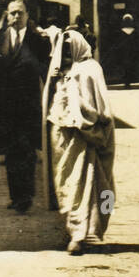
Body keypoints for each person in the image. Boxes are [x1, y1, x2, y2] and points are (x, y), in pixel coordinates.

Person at [43, 29, 116, 255]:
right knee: (65, 182)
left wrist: (83, 120)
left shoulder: (89, 69)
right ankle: (71, 226)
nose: (63, 57)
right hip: (62, 137)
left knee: (83, 184)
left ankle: (79, 233)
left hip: (83, 136)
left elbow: (98, 108)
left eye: (67, 52)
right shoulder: (62, 71)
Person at [0, 0, 50, 213]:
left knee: (27, 152)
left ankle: (27, 196)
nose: (16, 17)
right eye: (12, 13)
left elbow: (46, 71)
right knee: (11, 153)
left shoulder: (39, 41)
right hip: (5, 108)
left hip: (28, 106)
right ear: (7, 15)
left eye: (20, 13)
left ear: (28, 15)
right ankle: (15, 196)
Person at [115, 14, 138, 87]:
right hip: (132, 52)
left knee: (125, 66)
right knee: (130, 66)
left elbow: (117, 43)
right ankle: (129, 80)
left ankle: (126, 81)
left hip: (124, 52)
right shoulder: (135, 32)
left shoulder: (120, 32)